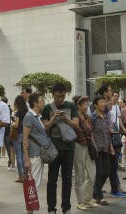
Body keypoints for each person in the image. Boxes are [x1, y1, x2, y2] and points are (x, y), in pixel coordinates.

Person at [42, 83, 79, 214]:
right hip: (53, 149)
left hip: (69, 148)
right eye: (58, 96)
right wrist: (54, 117)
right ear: (53, 95)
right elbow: (45, 127)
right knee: (52, 180)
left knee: (67, 179)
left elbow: (76, 125)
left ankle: (66, 207)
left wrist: (66, 119)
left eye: (62, 96)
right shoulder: (47, 108)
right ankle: (51, 208)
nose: (60, 99)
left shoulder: (71, 106)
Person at [23, 92, 51, 214]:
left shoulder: (37, 117)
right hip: (33, 155)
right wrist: (26, 159)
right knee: (33, 185)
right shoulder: (29, 116)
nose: (44, 102)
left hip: (39, 154)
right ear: (35, 102)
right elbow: (25, 139)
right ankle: (29, 210)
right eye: (42, 100)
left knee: (35, 184)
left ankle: (31, 210)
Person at [72, 95, 96, 210]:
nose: (86, 106)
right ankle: (80, 201)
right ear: (78, 105)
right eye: (84, 104)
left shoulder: (88, 117)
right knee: (79, 174)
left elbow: (91, 133)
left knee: (92, 174)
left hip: (88, 146)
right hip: (78, 146)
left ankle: (88, 199)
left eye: (87, 104)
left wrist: (94, 145)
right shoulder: (74, 117)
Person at [91, 94, 113, 206]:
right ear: (95, 105)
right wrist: (94, 146)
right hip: (97, 148)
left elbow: (107, 132)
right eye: (101, 102)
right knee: (99, 172)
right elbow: (91, 133)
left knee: (107, 171)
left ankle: (95, 191)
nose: (104, 104)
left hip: (105, 147)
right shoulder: (93, 117)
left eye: (104, 102)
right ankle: (98, 196)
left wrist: (111, 146)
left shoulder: (105, 116)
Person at [107, 91, 126, 198]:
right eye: (114, 96)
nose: (115, 97)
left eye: (116, 96)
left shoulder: (116, 108)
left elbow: (119, 120)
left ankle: (116, 187)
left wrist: (124, 129)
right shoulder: (106, 108)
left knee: (114, 163)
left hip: (116, 136)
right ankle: (99, 190)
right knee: (110, 165)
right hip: (109, 137)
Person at [12, 95, 28, 183]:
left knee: (18, 155)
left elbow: (17, 125)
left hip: (18, 134)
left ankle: (20, 176)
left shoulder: (18, 113)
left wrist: (13, 124)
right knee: (23, 155)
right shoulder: (26, 111)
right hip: (25, 135)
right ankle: (25, 175)